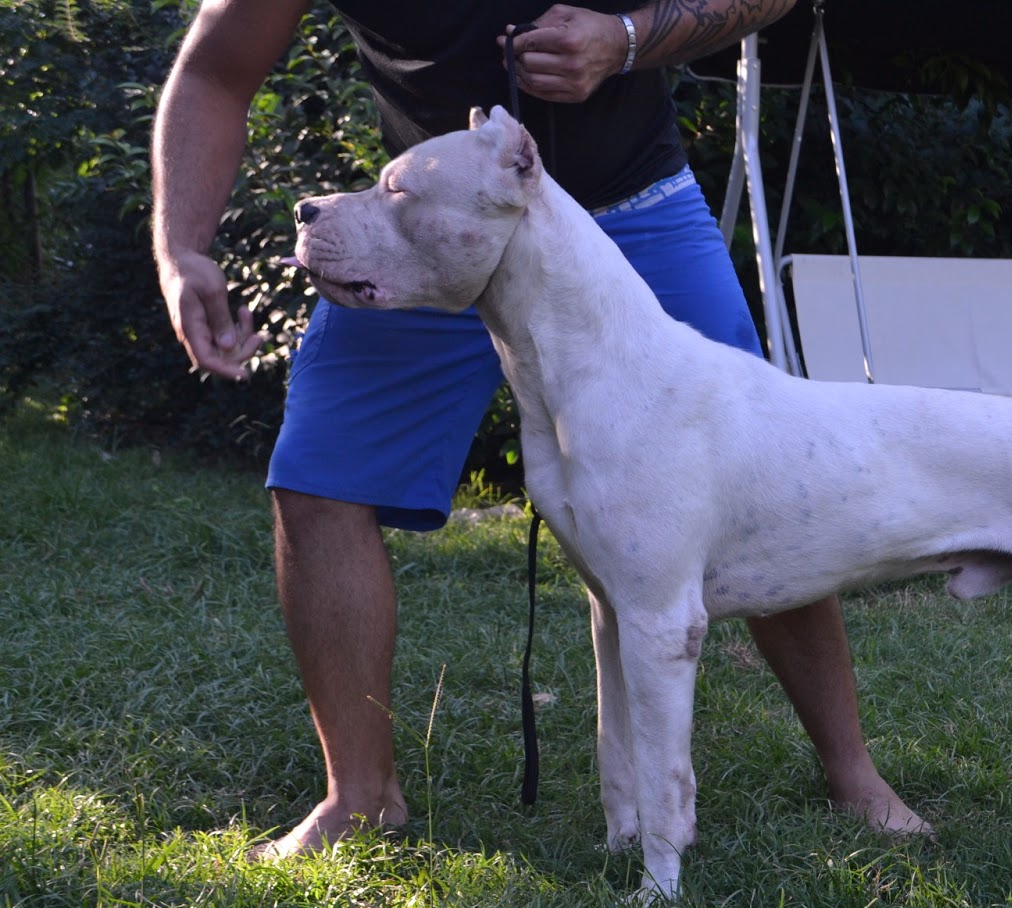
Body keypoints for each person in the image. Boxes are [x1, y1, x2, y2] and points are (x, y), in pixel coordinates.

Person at [152, 0, 928, 858]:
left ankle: (852, 772)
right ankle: (359, 798)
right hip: (431, 225)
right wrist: (180, 245)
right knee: (321, 479)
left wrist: (627, 39)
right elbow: (216, 68)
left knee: (766, 473)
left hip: (638, 203)